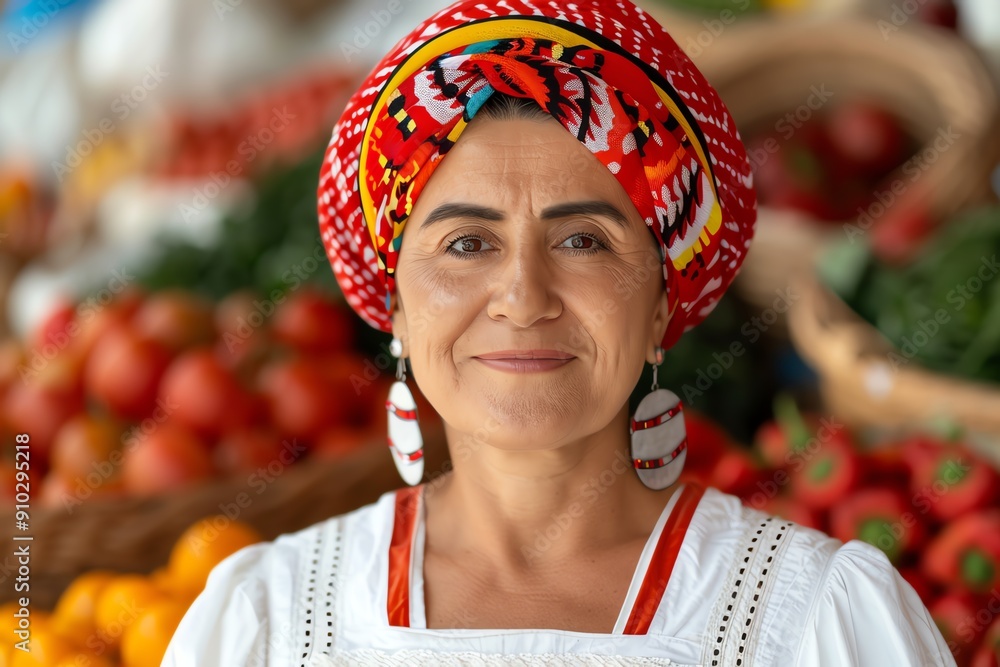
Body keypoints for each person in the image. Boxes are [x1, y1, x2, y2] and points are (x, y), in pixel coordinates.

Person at [162, 0, 955, 664]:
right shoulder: (270, 620)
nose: (522, 296)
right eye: (467, 243)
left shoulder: (816, 621)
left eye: (582, 240)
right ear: (396, 305)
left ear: (660, 304)